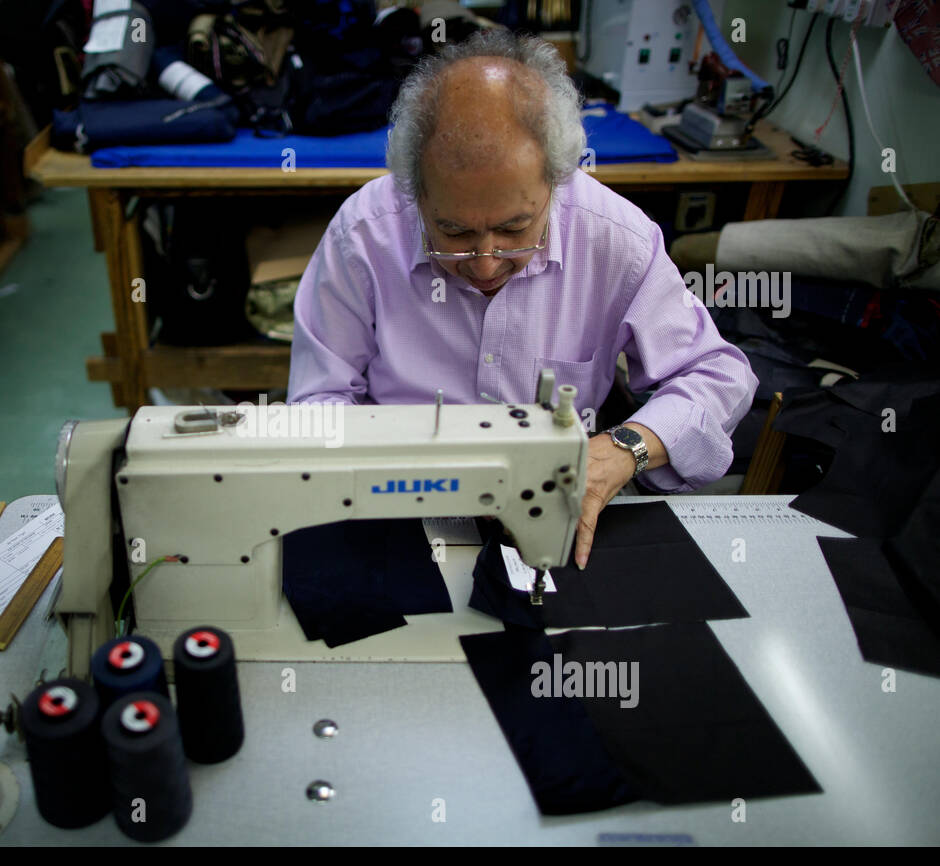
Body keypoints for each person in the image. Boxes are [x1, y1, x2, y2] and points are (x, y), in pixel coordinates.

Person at [287, 29, 758, 570]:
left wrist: (623, 448)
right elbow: (316, 403)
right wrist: (410, 473)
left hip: (554, 509)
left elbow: (719, 376)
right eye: (454, 233)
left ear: (558, 180)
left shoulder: (615, 239)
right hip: (396, 511)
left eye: (515, 229)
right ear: (413, 188)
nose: (486, 263)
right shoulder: (365, 236)